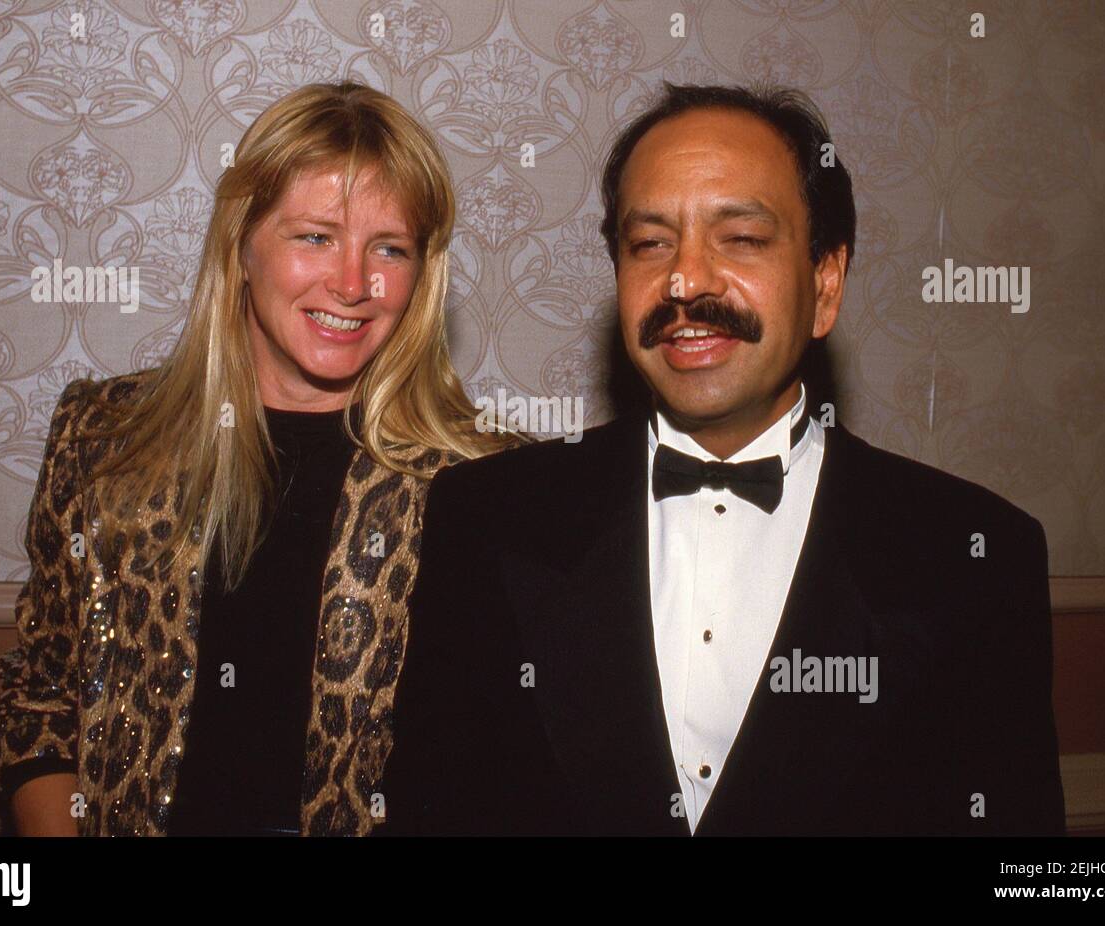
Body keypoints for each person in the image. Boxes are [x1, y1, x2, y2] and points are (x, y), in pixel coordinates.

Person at [379, 83, 1066, 835]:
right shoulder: (487, 518)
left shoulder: (973, 554)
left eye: (740, 238)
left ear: (826, 283)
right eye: (650, 244)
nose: (686, 280)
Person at [0, 82, 515, 836]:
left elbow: (504, 765)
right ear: (241, 244)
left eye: (389, 249)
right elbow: (40, 698)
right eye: (315, 236)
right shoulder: (105, 438)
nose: (353, 283)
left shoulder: (483, 481)